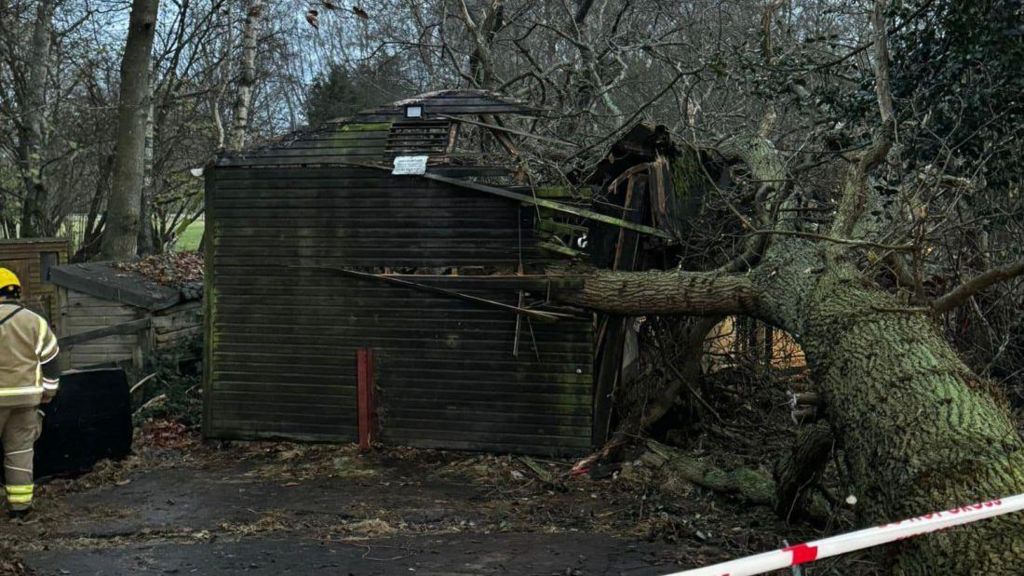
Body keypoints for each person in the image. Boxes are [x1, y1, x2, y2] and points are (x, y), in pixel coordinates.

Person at [0, 267, 60, 520]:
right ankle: (20, 508)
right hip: (26, 399)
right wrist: (48, 390)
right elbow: (51, 358)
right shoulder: (35, 321)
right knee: (20, 452)